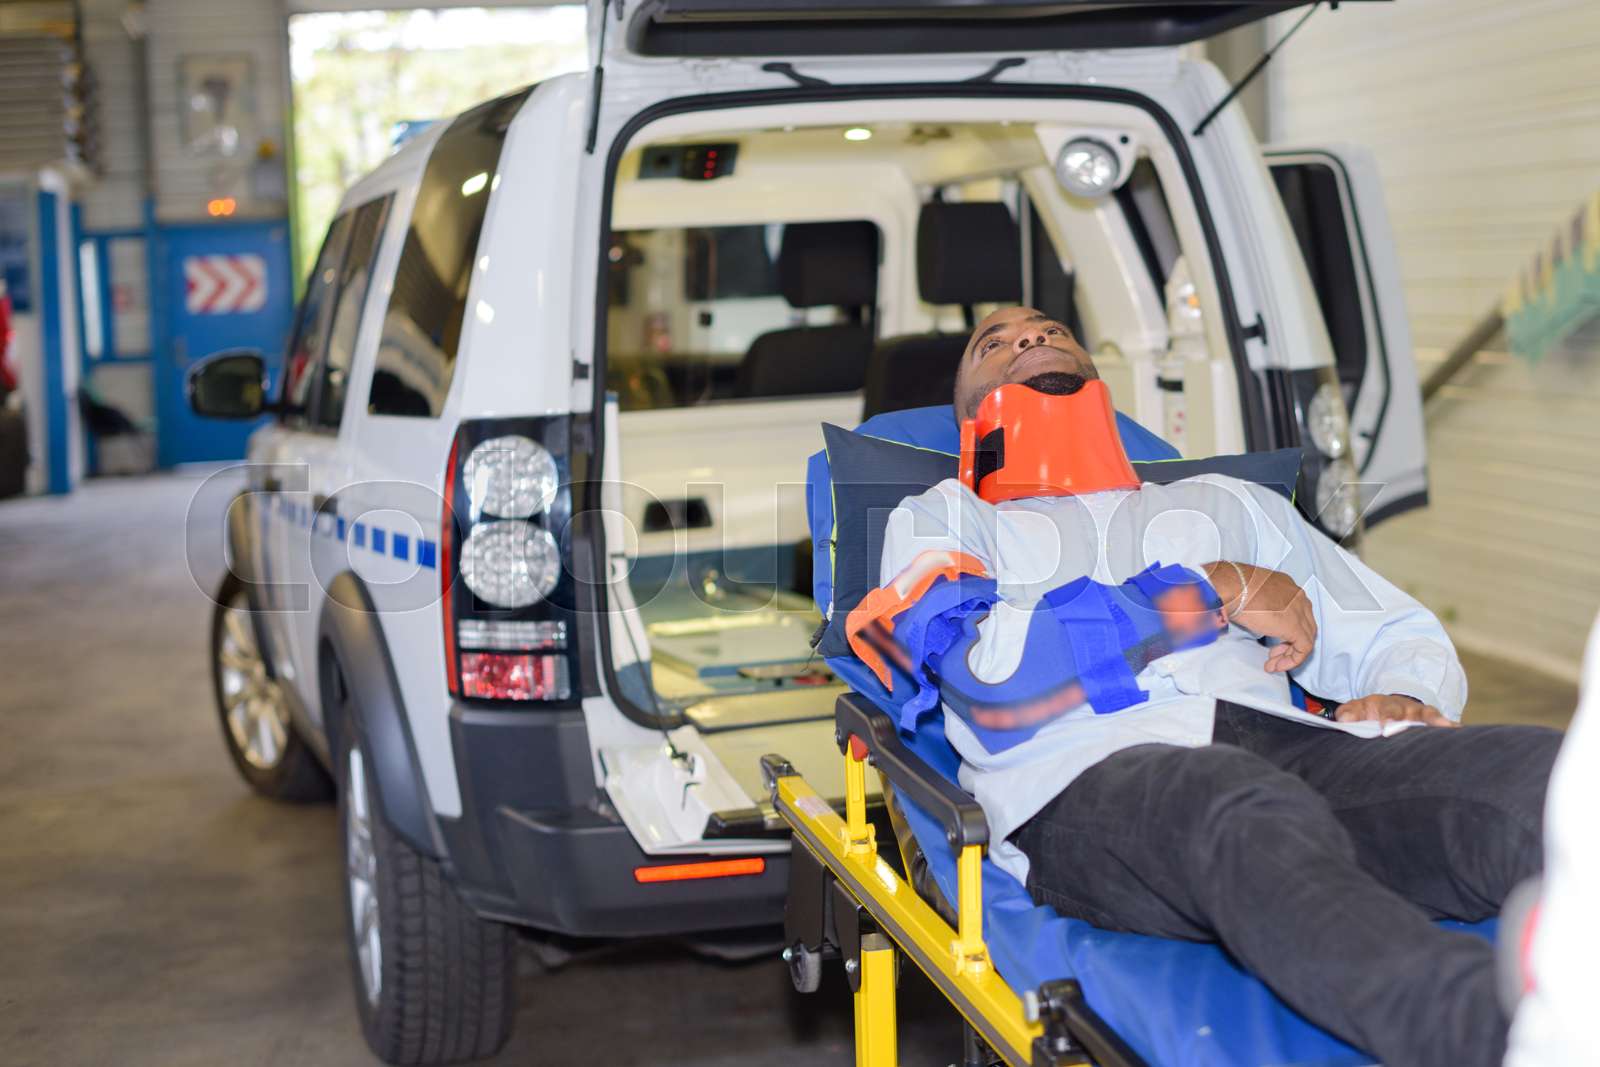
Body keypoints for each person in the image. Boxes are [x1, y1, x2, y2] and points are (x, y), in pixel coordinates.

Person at [850, 305, 1560, 1067]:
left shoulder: (1226, 503)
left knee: (1541, 774)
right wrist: (1201, 590)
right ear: (967, 416)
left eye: (1051, 330)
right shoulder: (943, 521)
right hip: (1081, 784)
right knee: (1234, 800)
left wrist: (1404, 693)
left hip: (1297, 751)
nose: (1031, 337)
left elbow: (1386, 628)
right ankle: (1500, 1039)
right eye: (994, 344)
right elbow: (992, 685)